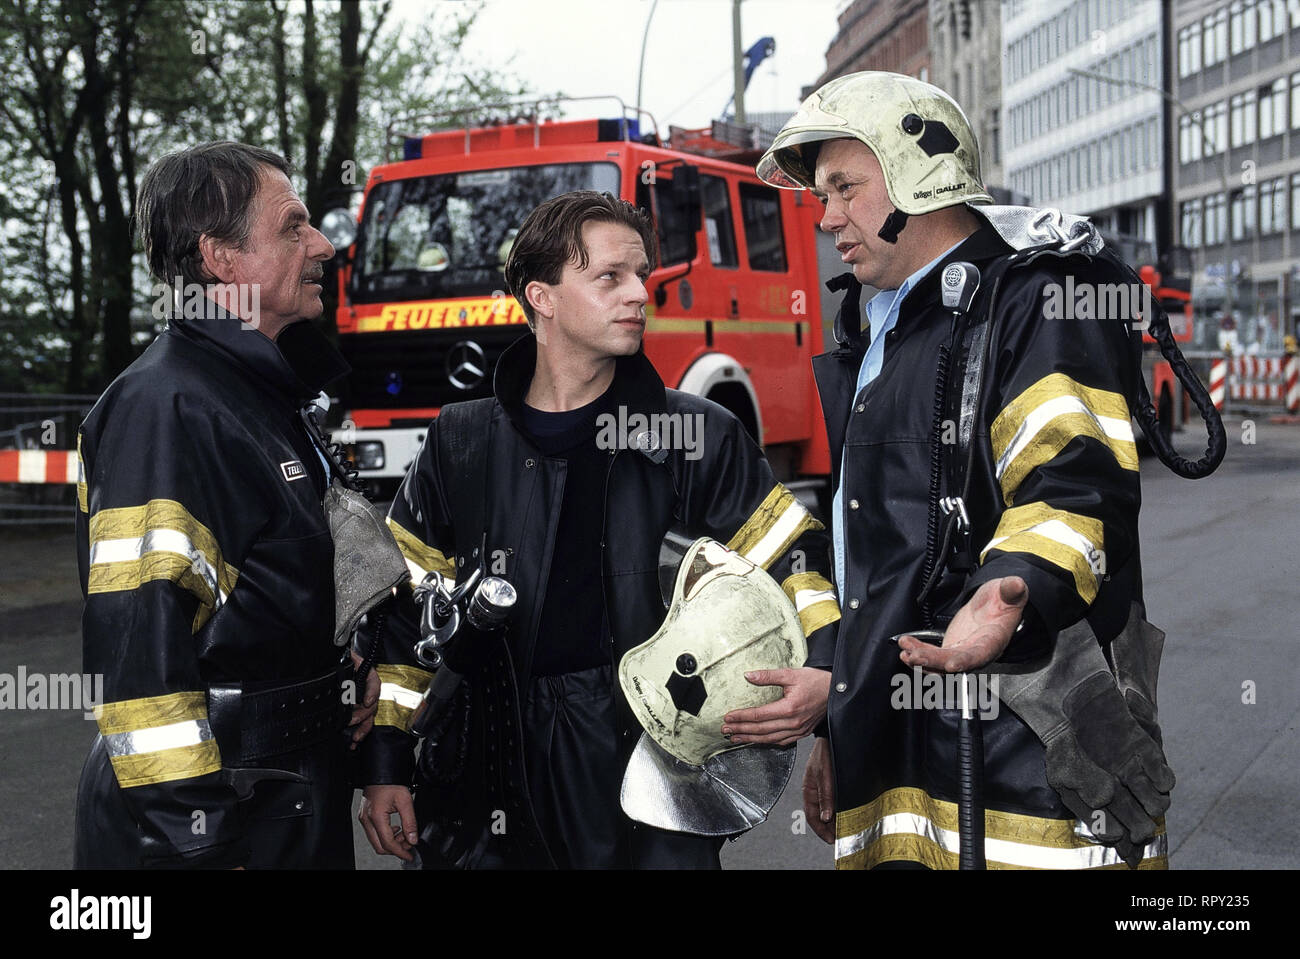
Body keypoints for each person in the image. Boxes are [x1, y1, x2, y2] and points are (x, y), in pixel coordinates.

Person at [756, 72, 1174, 869]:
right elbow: (871, 559)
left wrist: (1016, 584)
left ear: (923, 170)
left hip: (1025, 758)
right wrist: (839, 719)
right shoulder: (880, 328)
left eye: (844, 187)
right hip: (897, 750)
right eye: (818, 196)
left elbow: (1075, 482)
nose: (826, 217)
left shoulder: (1040, 295)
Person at [357, 190, 840, 868]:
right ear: (542, 297)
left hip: (651, 766)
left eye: (641, 273)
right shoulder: (459, 442)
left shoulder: (698, 437)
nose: (639, 293)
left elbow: (798, 562)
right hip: (487, 769)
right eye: (609, 277)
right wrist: (386, 761)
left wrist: (825, 673)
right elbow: (405, 616)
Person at [74, 141, 378, 868]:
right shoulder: (168, 407)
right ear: (221, 259)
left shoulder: (261, 394)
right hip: (218, 826)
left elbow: (271, 589)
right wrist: (204, 845)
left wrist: (341, 667)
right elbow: (139, 667)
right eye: (293, 227)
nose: (324, 245)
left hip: (282, 797)